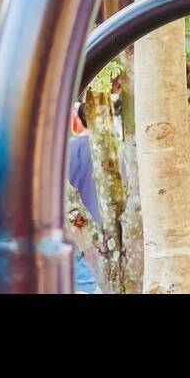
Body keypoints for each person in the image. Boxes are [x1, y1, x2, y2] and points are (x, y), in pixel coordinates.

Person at [66, 102, 101, 293]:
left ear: (79, 119)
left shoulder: (68, 148)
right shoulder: (111, 148)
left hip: (71, 224)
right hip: (100, 228)